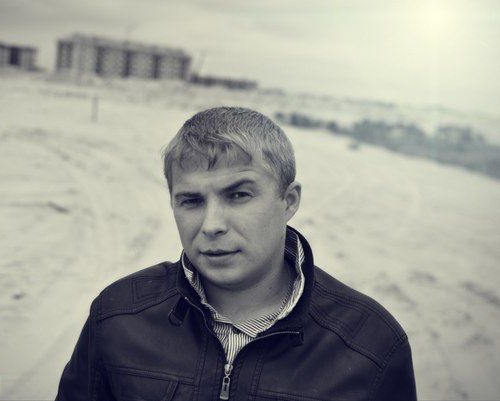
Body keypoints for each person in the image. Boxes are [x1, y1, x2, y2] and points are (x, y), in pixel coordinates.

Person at [56, 107, 417, 400]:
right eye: (191, 201)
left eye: (238, 195)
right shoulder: (118, 316)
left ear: (288, 201)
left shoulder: (371, 344)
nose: (212, 225)